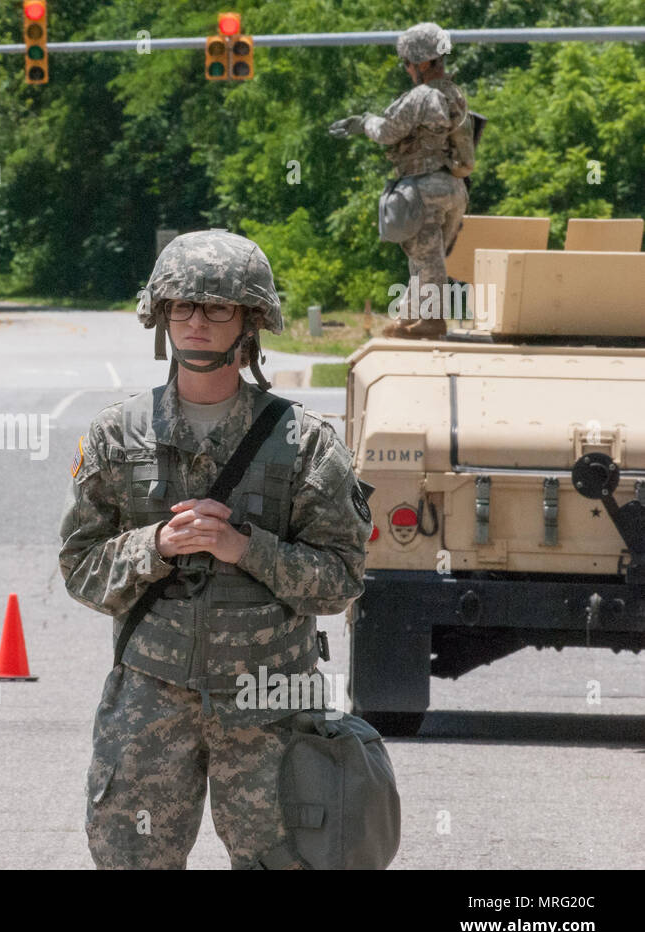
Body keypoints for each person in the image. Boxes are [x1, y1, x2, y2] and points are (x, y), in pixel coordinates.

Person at [59, 230, 372, 869]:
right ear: (161, 316)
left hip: (271, 698)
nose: (196, 321)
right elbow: (81, 570)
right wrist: (154, 545)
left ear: (250, 321)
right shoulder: (118, 437)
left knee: (283, 861)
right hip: (152, 695)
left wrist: (243, 547)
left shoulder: (305, 444)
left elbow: (342, 581)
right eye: (182, 306)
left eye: (217, 308)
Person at [329, 22, 472, 338]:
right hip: (455, 188)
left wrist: (364, 122)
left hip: (423, 187)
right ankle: (409, 317)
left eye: (407, 63)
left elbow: (386, 132)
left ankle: (432, 320)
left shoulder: (420, 97)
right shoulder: (456, 95)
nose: (407, 69)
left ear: (422, 63)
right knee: (425, 257)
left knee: (426, 257)